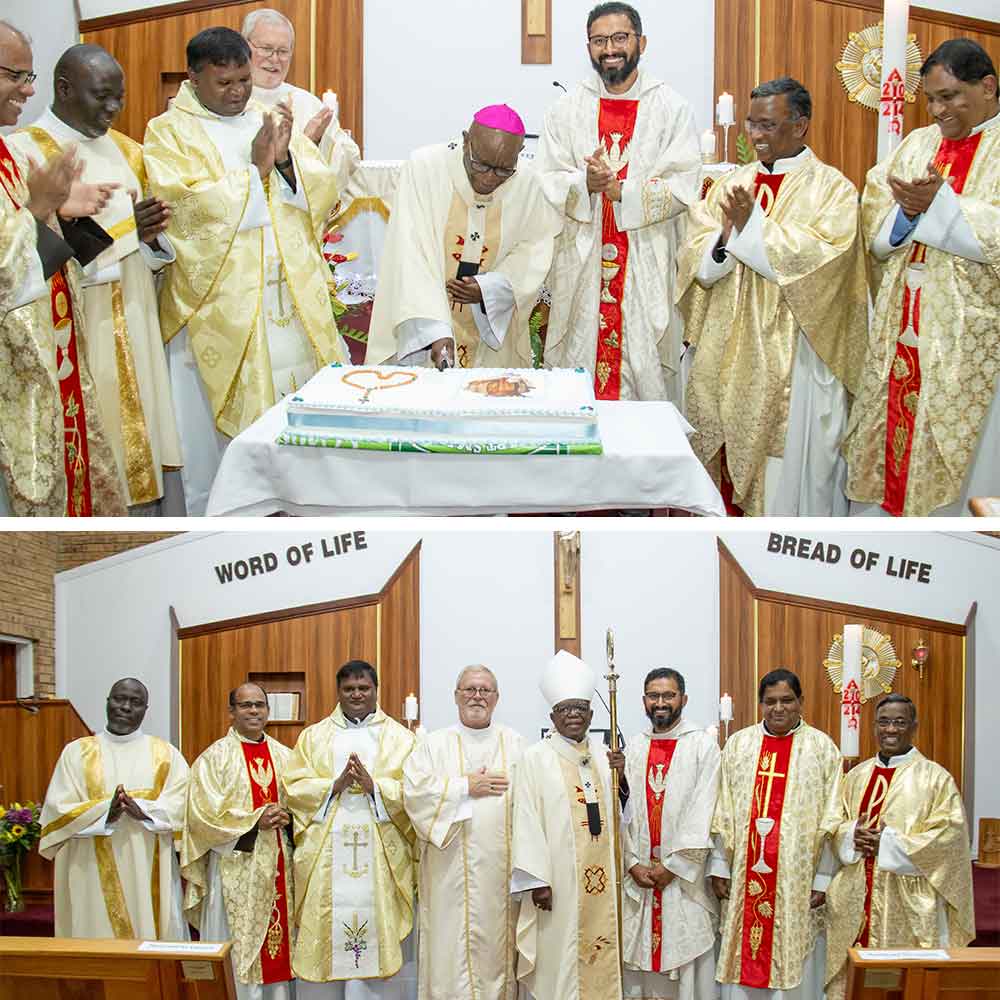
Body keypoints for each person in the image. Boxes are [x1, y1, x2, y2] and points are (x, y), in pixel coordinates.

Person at [144, 27, 345, 515]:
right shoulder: (169, 133)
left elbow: (319, 193)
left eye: (243, 81)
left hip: (289, 310)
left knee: (298, 445)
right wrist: (255, 171)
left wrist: (286, 164)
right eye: (224, 83)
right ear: (193, 77)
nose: (237, 93)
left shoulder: (267, 117)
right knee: (219, 455)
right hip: (220, 319)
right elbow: (183, 215)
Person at [677, 78, 868, 516]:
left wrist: (753, 231)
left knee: (780, 477)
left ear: (800, 125)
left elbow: (828, 260)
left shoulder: (832, 189)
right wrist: (724, 240)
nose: (757, 136)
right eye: (751, 125)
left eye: (769, 125)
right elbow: (697, 255)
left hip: (791, 357)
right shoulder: (731, 184)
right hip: (723, 351)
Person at [9, 43, 183, 513]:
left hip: (134, 314)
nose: (112, 109)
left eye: (119, 98)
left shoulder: (130, 151)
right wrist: (120, 227)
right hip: (80, 326)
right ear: (64, 89)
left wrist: (148, 241)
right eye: (101, 96)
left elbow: (149, 263)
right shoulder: (25, 153)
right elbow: (26, 256)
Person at [843, 39, 1000, 517]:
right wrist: (906, 215)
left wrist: (942, 206)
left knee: (966, 474)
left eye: (949, 96)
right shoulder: (917, 144)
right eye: (930, 98)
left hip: (970, 344)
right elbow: (874, 218)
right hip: (901, 332)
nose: (936, 110)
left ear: (989, 87)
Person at [536, 2, 700, 402]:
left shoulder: (671, 108)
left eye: (620, 38)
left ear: (640, 42)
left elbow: (685, 185)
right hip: (583, 262)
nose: (609, 48)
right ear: (588, 47)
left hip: (645, 257)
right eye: (599, 40)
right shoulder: (566, 109)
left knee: (643, 370)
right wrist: (584, 184)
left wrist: (623, 193)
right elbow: (547, 179)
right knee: (581, 363)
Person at [0, 20, 126, 516]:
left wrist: (61, 216)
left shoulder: (7, 152)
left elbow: (30, 250)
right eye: (16, 76)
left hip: (47, 365)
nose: (28, 91)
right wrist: (40, 210)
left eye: (30, 77)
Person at [364, 104, 560, 370]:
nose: (490, 178)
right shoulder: (425, 168)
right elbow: (410, 250)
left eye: (503, 170)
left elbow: (533, 250)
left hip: (488, 346)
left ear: (520, 155)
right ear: (466, 140)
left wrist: (489, 289)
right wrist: (434, 329)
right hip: (424, 334)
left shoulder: (527, 183)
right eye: (481, 165)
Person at [824, 695, 975, 1000]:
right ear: (873, 727)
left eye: (899, 722)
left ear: (914, 727)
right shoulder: (856, 776)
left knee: (905, 987)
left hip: (908, 902)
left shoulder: (934, 778)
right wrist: (853, 834)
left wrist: (888, 844)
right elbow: (834, 823)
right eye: (883, 721)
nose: (890, 729)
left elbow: (950, 837)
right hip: (856, 898)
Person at [283, 660, 416, 997]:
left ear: (376, 690)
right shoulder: (313, 736)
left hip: (378, 857)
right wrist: (334, 784)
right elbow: (294, 787)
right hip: (327, 859)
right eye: (349, 689)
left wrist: (375, 787)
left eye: (364, 688)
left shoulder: (401, 739)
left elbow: (415, 792)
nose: (357, 694)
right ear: (338, 692)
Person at [709, 669, 841, 1000]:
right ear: (760, 704)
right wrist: (719, 866)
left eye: (786, 701)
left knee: (795, 963)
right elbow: (722, 809)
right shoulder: (739, 744)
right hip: (743, 877)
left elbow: (833, 818)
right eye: (770, 702)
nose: (778, 709)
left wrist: (823, 879)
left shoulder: (821, 748)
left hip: (797, 883)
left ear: (801, 702)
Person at [403, 665, 525, 1000]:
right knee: (447, 958)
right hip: (447, 877)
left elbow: (531, 806)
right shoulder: (432, 745)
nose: (477, 696)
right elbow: (414, 795)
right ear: (456, 695)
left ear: (496, 698)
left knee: (495, 955)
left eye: (485, 690)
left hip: (499, 879)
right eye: (469, 689)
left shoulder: (516, 745)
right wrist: (465, 786)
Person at [510, 649, 624, 1000]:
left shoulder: (606, 758)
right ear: (552, 716)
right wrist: (536, 881)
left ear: (591, 714)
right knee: (558, 964)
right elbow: (525, 818)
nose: (573, 714)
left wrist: (624, 780)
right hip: (557, 886)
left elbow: (621, 818)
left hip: (601, 880)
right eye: (564, 709)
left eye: (579, 708)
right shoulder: (535, 758)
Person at [39, 677, 189, 938]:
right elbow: (57, 810)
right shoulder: (77, 753)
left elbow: (183, 805)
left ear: (145, 709)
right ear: (108, 702)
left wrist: (145, 812)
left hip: (147, 863)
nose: (126, 707)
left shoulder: (165, 755)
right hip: (89, 869)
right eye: (120, 699)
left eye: (135, 702)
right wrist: (102, 814)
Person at [182, 683, 296, 1000]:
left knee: (278, 952)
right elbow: (200, 818)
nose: (254, 711)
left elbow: (303, 809)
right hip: (234, 871)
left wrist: (289, 820)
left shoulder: (286, 757)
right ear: (231, 712)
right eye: (245, 705)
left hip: (277, 868)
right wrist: (252, 823)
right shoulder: (213, 759)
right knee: (236, 952)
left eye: (259, 705)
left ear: (268, 712)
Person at [622, 668, 719, 1000]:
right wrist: (632, 862)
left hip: (681, 879)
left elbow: (705, 809)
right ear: (644, 701)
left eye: (668, 695)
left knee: (686, 969)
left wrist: (673, 866)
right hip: (641, 877)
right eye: (653, 696)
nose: (660, 702)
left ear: (683, 699)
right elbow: (622, 813)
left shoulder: (702, 746)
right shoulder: (634, 748)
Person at [242, 8, 360, 191]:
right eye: (266, 49)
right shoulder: (228, 100)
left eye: (283, 51)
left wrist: (319, 142)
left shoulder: (307, 103)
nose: (275, 59)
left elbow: (350, 157)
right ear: (245, 46)